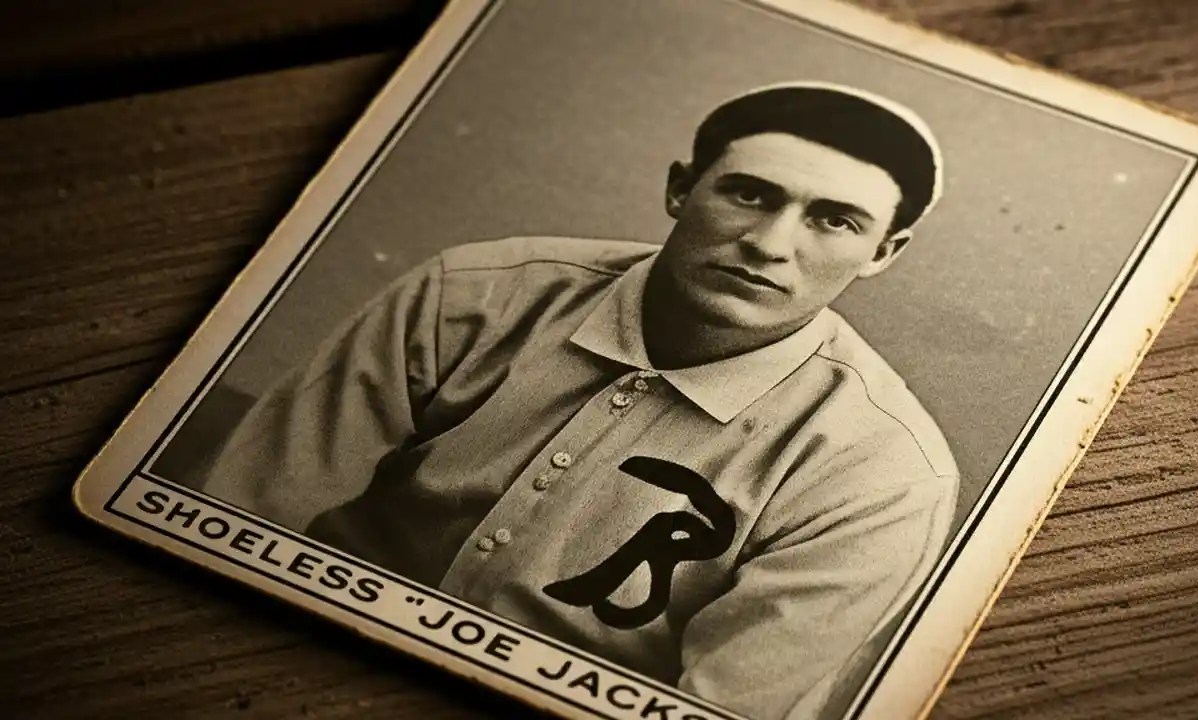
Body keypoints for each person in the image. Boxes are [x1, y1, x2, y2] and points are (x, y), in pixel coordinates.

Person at [201, 83, 959, 720]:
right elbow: (238, 519)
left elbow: (721, 709)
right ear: (678, 188)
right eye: (748, 193)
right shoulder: (473, 295)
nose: (768, 244)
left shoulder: (884, 474)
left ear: (883, 252)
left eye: (835, 220)